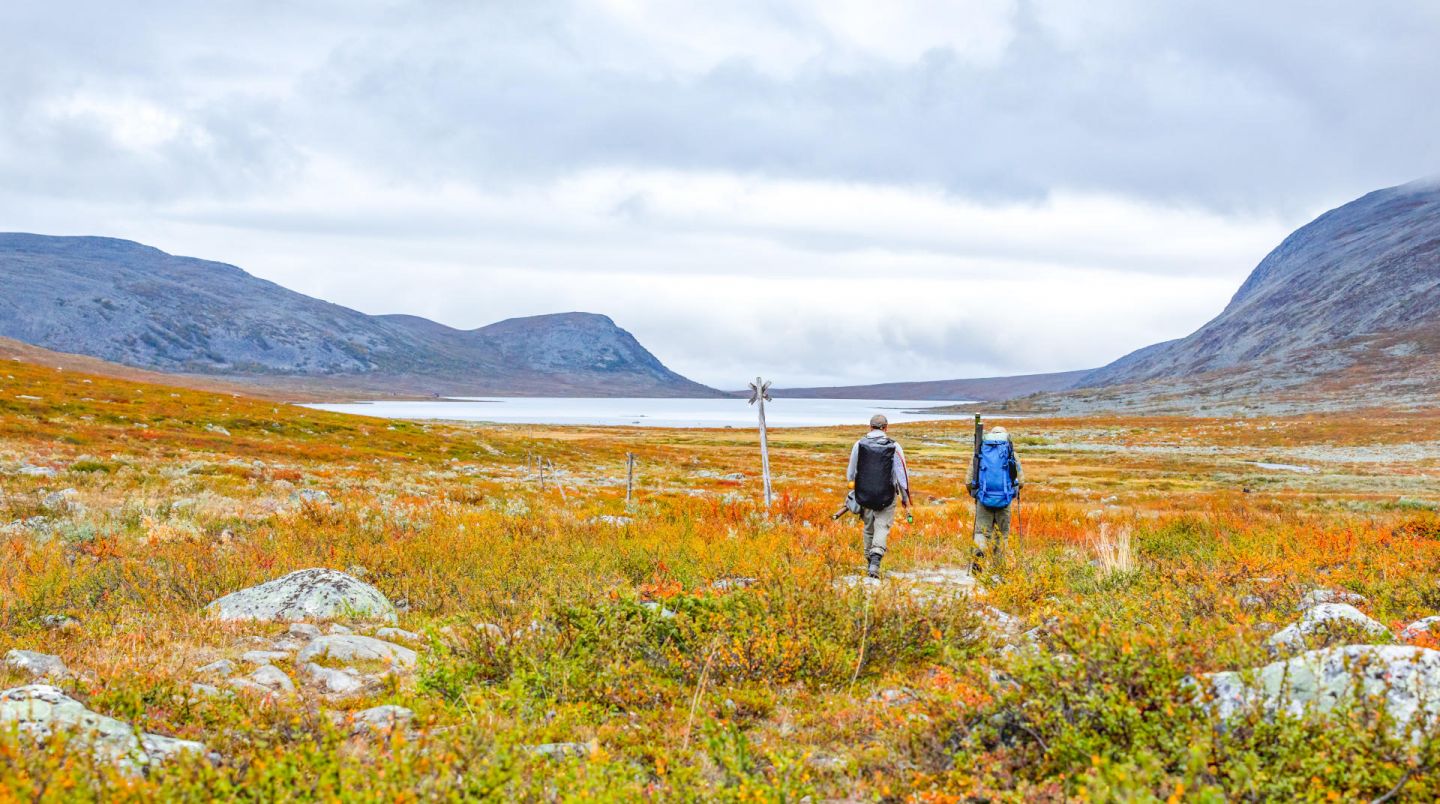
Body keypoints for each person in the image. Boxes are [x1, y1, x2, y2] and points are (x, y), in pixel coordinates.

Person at [846, 414, 912, 578]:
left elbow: (851, 473)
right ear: (886, 428)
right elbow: (901, 475)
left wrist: (856, 490)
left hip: (864, 494)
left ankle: (870, 561)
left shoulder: (859, 444)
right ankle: (876, 560)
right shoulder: (895, 446)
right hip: (886, 495)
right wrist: (905, 497)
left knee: (868, 528)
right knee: (882, 526)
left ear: (870, 427)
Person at [967, 425, 1023, 574]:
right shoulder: (1011, 453)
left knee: (981, 532)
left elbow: (969, 480)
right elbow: (1020, 481)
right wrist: (1012, 492)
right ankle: (998, 567)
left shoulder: (981, 453)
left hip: (984, 498)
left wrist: (976, 494)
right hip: (1004, 500)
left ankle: (978, 562)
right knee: (1002, 535)